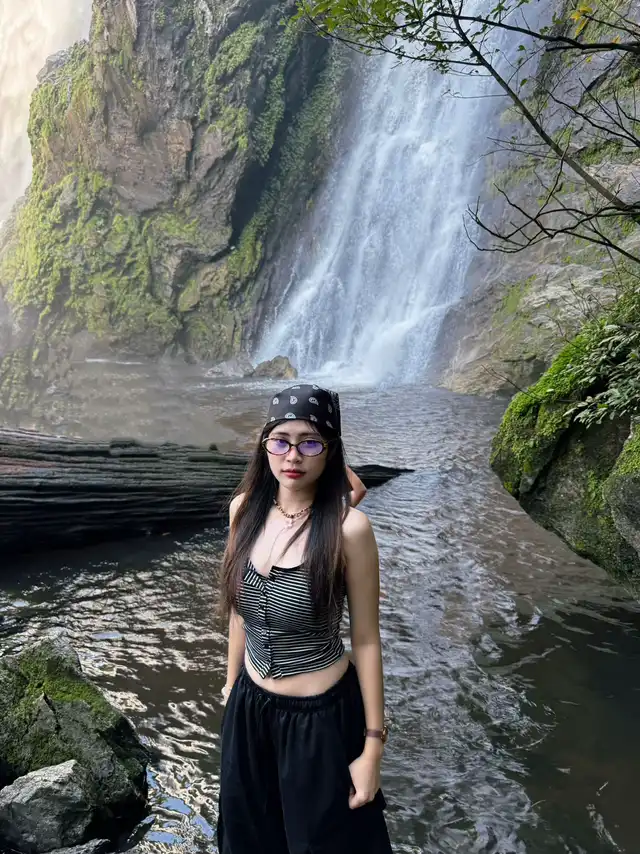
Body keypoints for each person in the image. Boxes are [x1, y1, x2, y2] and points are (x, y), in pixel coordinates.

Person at [217, 384, 392, 854]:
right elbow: (238, 613)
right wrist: (231, 685)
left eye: (310, 443)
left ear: (331, 450)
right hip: (249, 710)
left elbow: (366, 639)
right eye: (281, 441)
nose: (293, 455)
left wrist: (372, 747)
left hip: (321, 722)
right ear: (264, 445)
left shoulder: (350, 530)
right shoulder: (243, 511)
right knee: (247, 839)